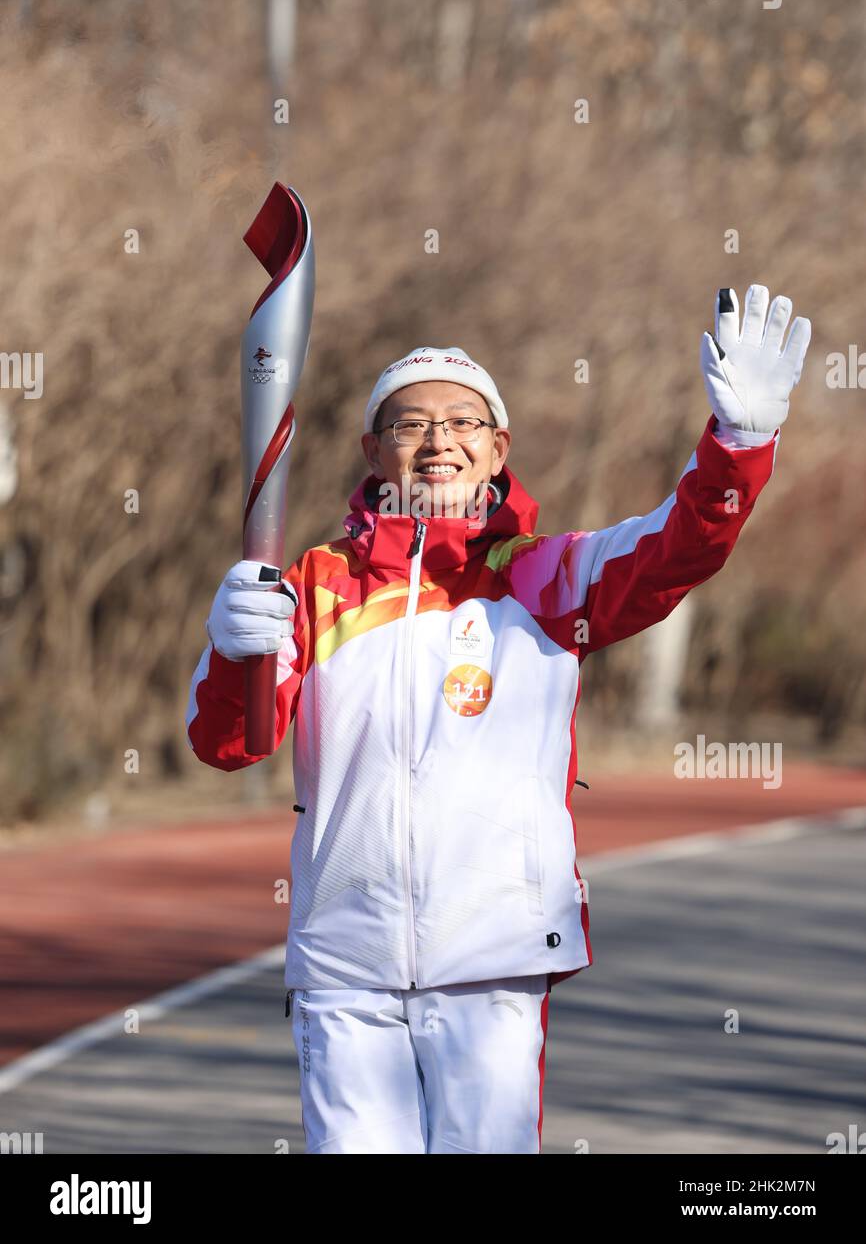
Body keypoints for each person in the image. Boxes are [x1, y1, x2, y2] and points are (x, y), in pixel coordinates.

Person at [186, 283, 810, 1153]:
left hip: (493, 955)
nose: (437, 439)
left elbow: (682, 546)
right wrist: (230, 647)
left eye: (463, 422)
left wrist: (739, 446)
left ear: (496, 448)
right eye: (409, 423)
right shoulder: (312, 587)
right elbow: (230, 743)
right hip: (343, 960)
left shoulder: (547, 577)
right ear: (375, 450)